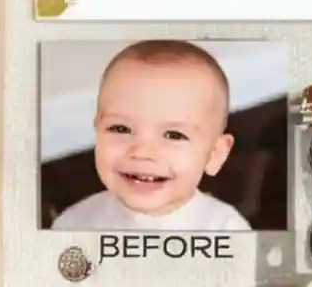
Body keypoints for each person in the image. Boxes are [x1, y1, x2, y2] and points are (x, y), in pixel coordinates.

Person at [52, 40, 251, 231]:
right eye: (120, 129)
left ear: (215, 154)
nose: (142, 152)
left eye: (174, 135)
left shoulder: (225, 230)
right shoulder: (73, 223)